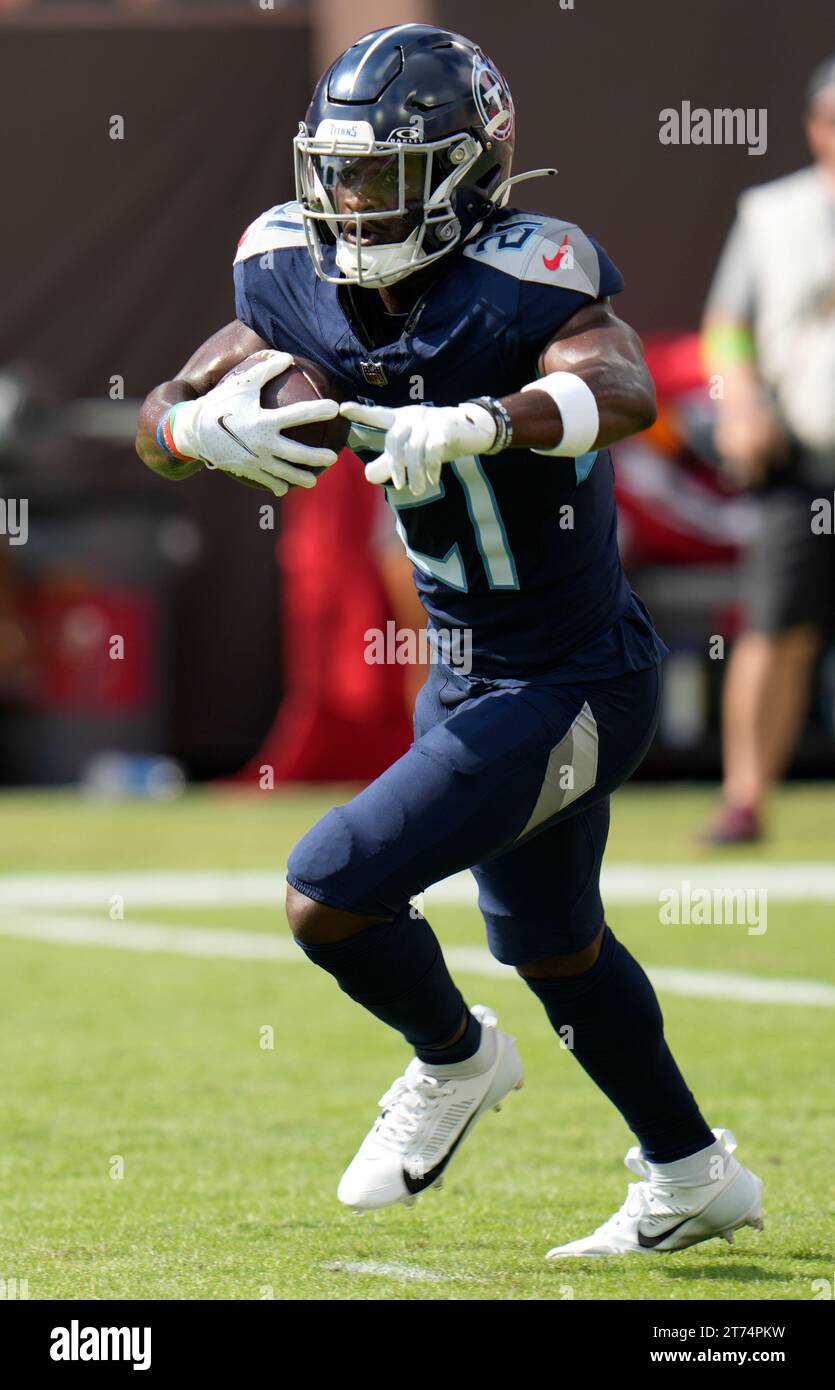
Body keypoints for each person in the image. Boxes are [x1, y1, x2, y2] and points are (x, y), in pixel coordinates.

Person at [137, 24, 762, 1257]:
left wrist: (492, 420)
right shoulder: (289, 269)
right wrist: (193, 429)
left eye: (381, 177)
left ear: (469, 173)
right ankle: (691, 1175)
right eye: (337, 173)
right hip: (464, 672)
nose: (348, 204)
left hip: (577, 677)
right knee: (556, 945)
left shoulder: (525, 276)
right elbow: (163, 405)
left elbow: (622, 384)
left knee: (327, 890)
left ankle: (455, 1055)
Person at [702, 56, 835, 844]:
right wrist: (739, 406)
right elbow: (726, 329)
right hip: (804, 460)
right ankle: (744, 798)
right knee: (777, 626)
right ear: (816, 125)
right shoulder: (771, 213)